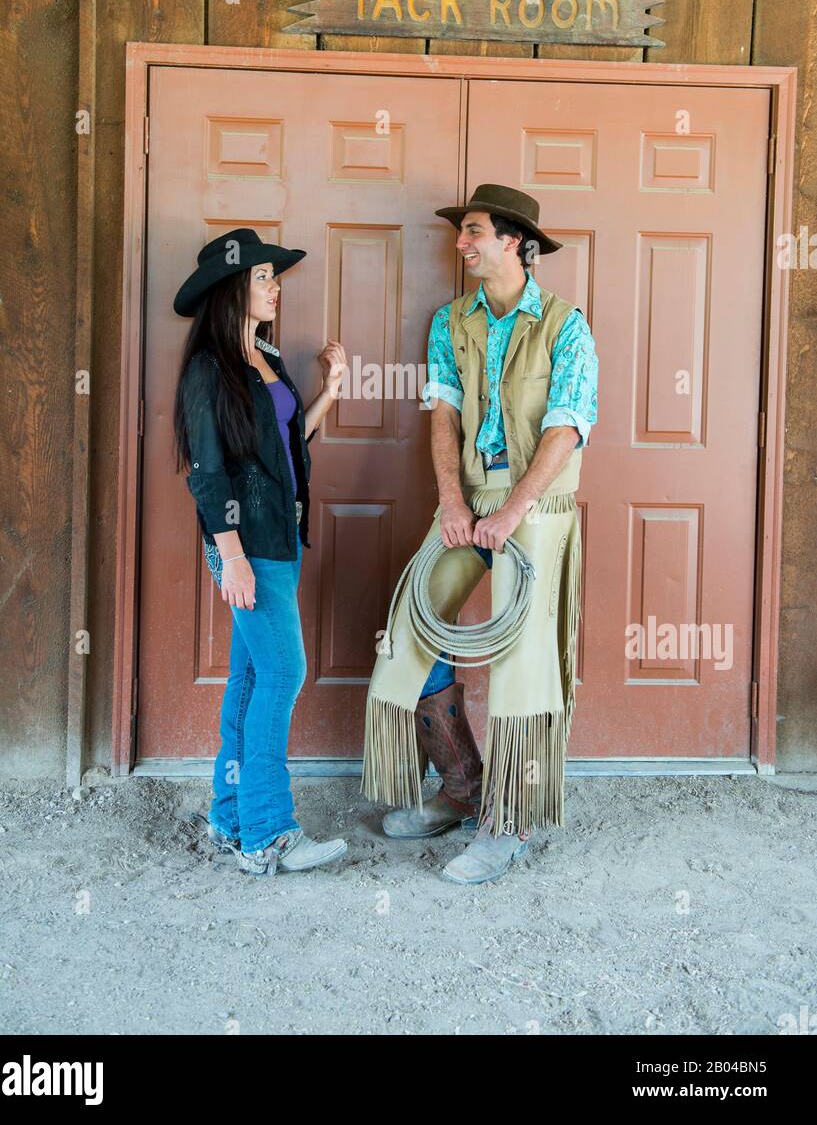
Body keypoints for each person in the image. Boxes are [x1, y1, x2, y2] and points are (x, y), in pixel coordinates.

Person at [361, 184, 599, 885]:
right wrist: (451, 503)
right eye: (460, 233)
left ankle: (511, 818)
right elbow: (442, 415)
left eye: (471, 232)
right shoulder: (451, 322)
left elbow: (565, 427)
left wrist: (512, 510)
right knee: (414, 622)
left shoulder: (566, 325)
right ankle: (462, 782)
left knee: (523, 658)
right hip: (466, 499)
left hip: (538, 504)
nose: (460, 244)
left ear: (512, 242)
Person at [173, 227, 349, 876]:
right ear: (232, 291)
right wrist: (233, 557)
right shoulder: (208, 370)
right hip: (246, 545)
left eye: (275, 278)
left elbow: (284, 444)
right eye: (263, 279)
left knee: (251, 676)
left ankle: (229, 815)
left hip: (281, 538)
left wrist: (331, 389)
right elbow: (207, 474)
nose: (275, 288)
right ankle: (269, 833)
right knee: (282, 675)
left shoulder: (266, 359)